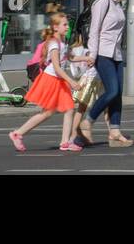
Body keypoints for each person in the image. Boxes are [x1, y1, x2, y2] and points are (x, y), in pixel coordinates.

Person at [9, 13, 84, 152]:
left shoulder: (61, 43)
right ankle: (17, 133)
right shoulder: (54, 44)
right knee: (47, 113)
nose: (67, 27)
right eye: (65, 25)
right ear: (55, 27)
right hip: (51, 80)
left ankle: (65, 142)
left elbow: (70, 57)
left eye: (67, 24)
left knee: (69, 109)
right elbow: (56, 67)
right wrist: (71, 81)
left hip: (58, 80)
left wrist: (86, 59)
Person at [83, 0, 134, 146]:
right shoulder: (103, 2)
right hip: (103, 54)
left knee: (118, 94)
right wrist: (92, 54)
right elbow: (94, 30)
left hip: (117, 54)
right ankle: (88, 120)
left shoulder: (118, 5)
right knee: (111, 91)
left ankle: (115, 131)